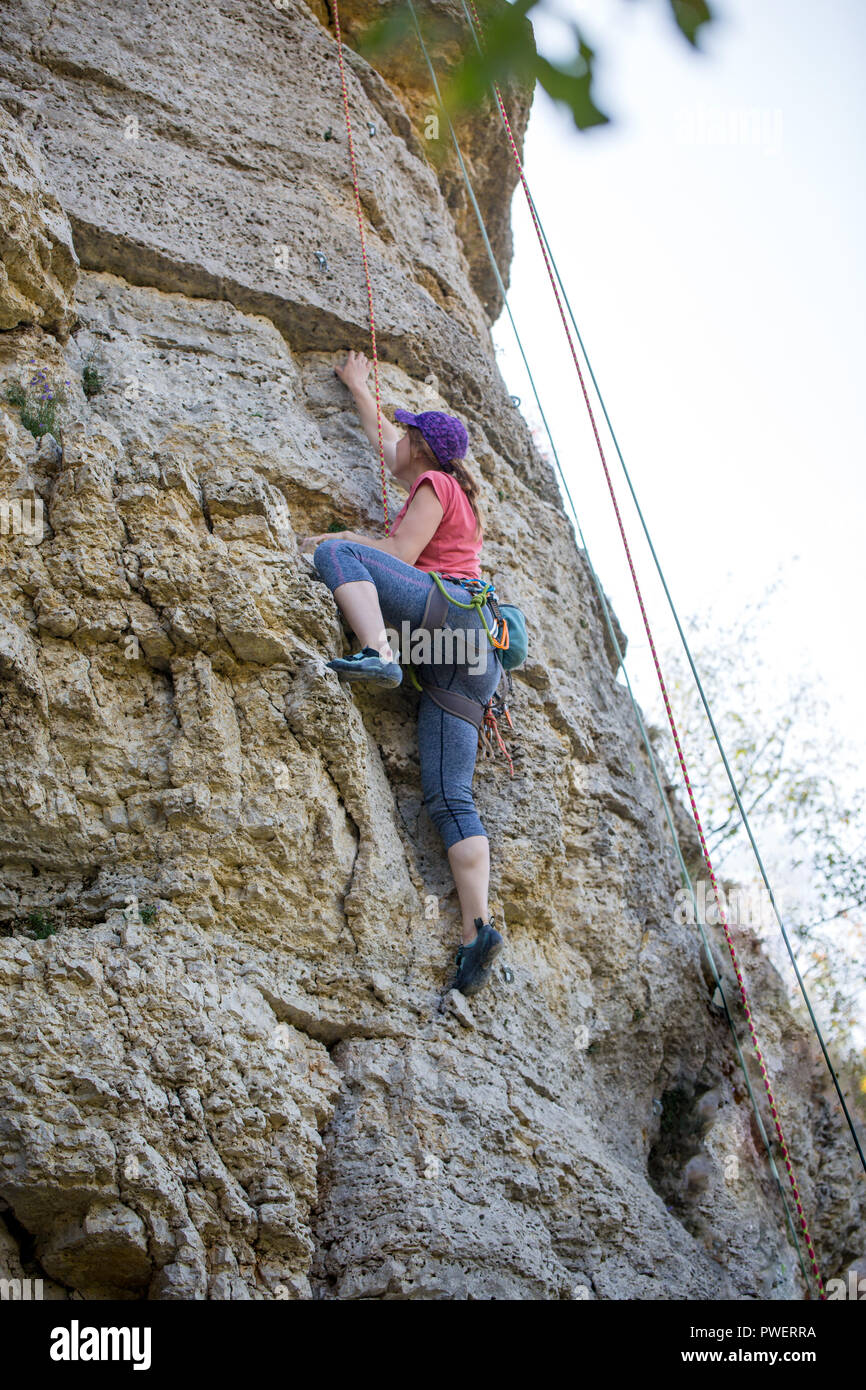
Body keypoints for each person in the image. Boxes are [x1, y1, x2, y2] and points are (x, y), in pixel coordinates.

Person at [300, 350, 504, 997]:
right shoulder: (452, 488)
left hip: (441, 622)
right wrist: (359, 387)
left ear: (422, 446)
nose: (398, 437)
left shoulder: (434, 487)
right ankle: (478, 932)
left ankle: (377, 653)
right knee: (449, 797)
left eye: (406, 432)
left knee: (337, 549)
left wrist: (321, 548)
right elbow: (388, 446)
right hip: (473, 658)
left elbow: (398, 556)